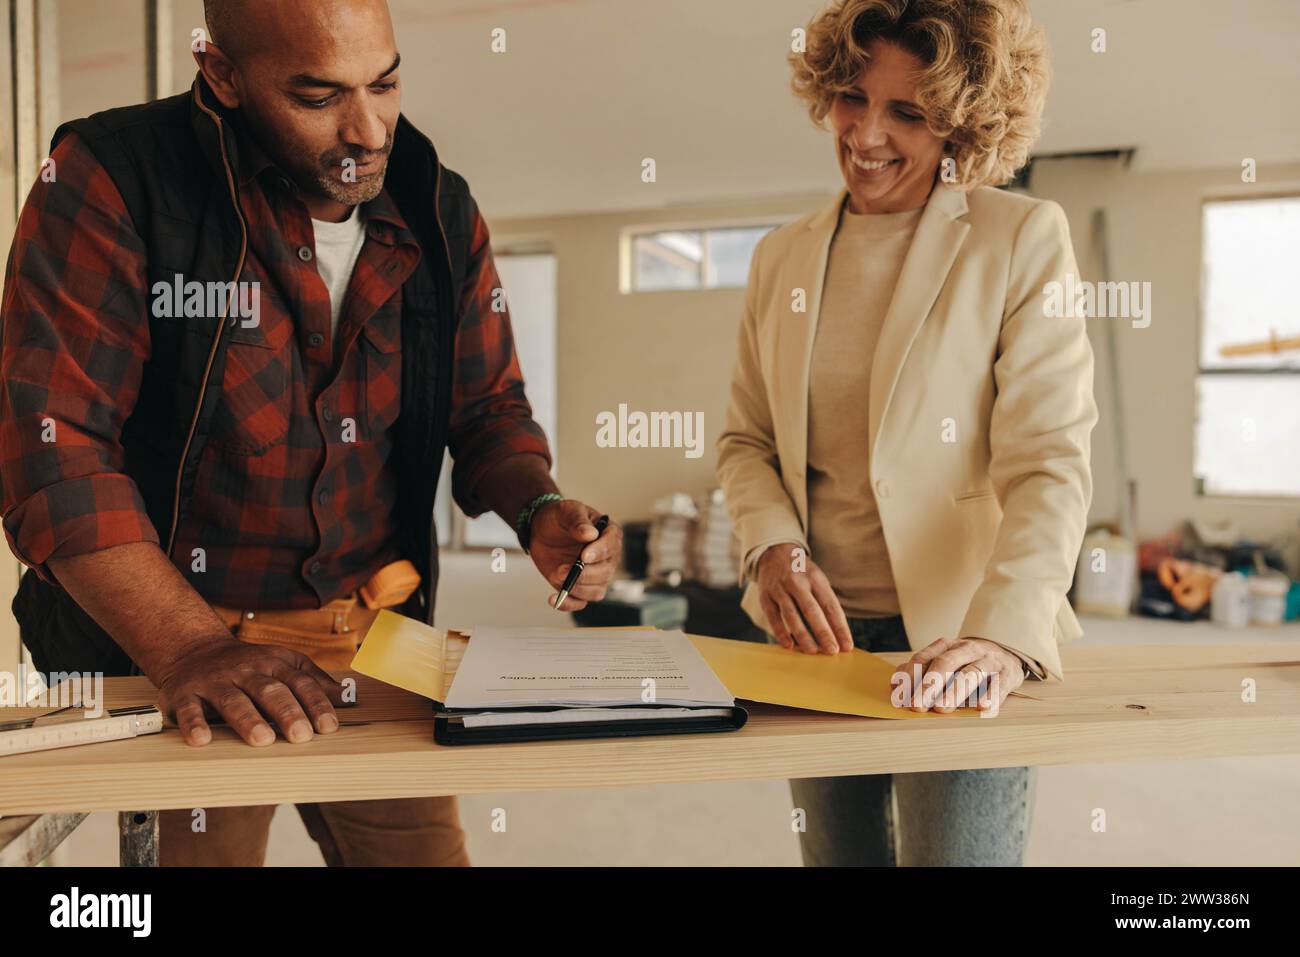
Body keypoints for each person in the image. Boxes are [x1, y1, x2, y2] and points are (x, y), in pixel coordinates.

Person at [0, 0, 622, 866]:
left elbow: (487, 411)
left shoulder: (439, 208)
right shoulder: (112, 177)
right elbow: (53, 444)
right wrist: (190, 647)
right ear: (221, 74)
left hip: (379, 633)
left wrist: (540, 504)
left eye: (387, 81)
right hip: (185, 635)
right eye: (317, 95)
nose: (367, 129)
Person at [716, 0, 1097, 866]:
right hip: (816, 644)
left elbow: (1050, 460)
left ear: (962, 122)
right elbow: (745, 441)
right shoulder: (780, 257)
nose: (868, 134)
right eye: (853, 97)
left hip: (958, 637)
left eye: (909, 112)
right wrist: (772, 547)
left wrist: (1003, 634)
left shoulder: (1022, 238)